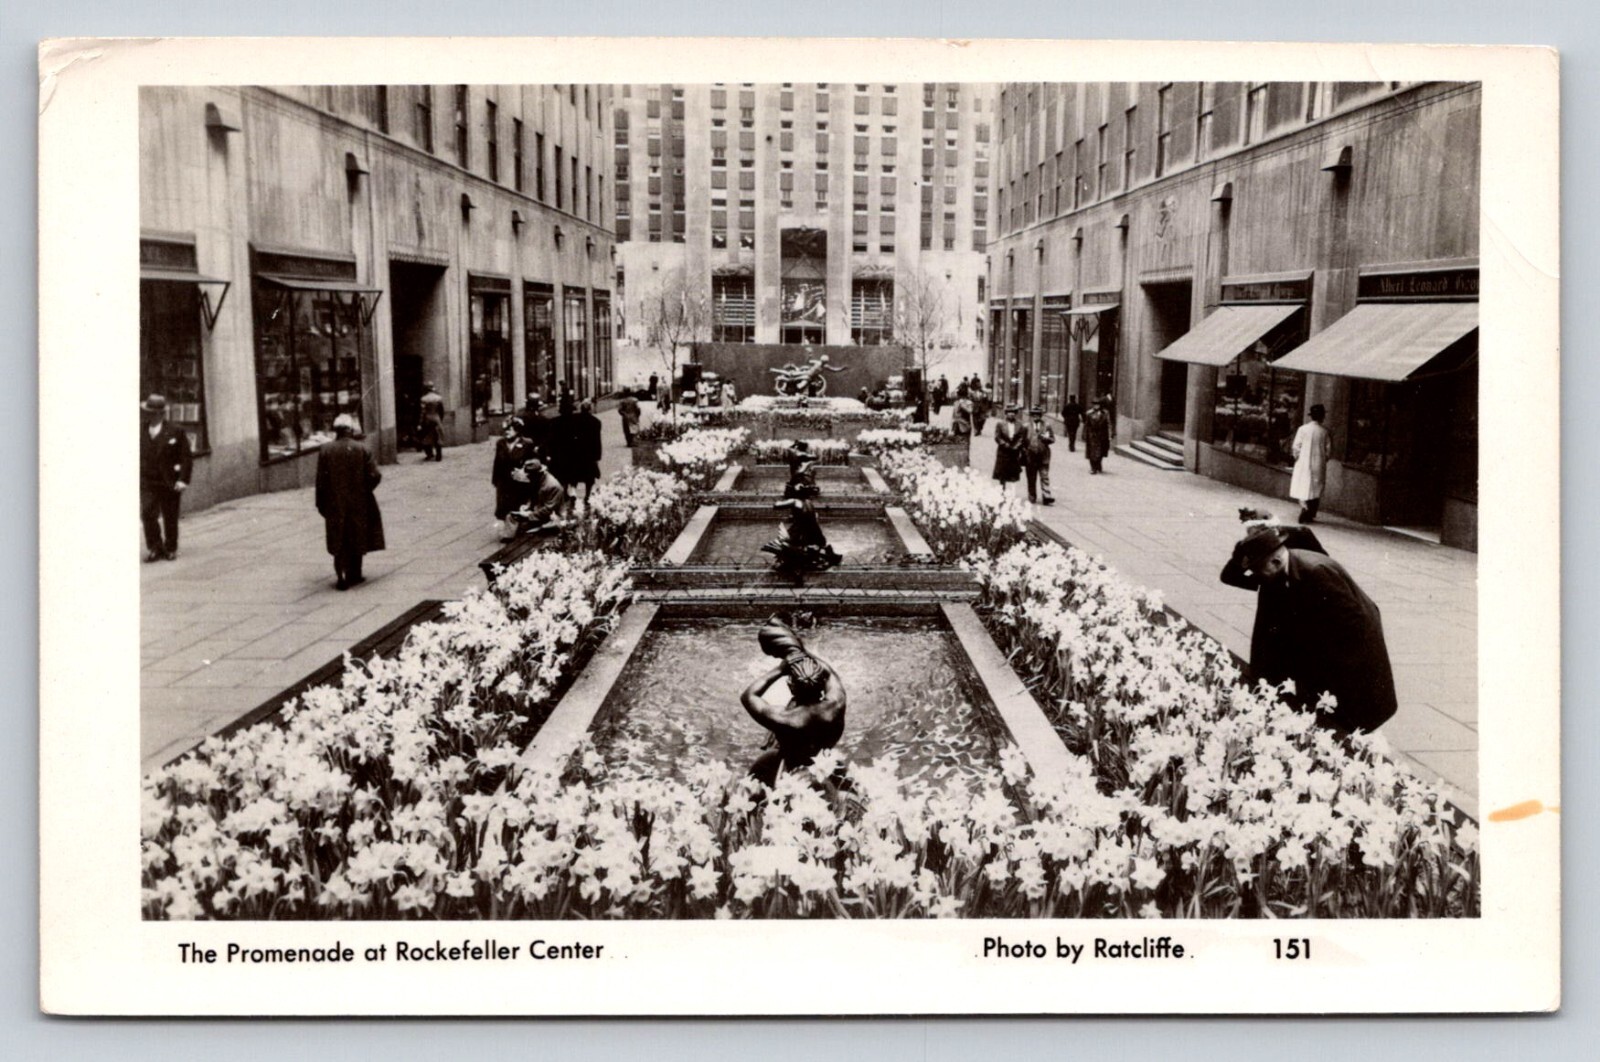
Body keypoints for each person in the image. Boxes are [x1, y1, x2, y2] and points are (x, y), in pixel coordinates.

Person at [1221, 526, 1397, 735]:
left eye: (1258, 569)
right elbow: (1231, 576)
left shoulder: (1316, 572)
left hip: (1350, 658)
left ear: (1275, 562)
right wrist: (1246, 547)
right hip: (1321, 653)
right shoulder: (1278, 568)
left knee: (1345, 721)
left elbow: (1354, 623)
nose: (1256, 576)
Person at [741, 619, 847, 787]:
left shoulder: (784, 718)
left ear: (790, 686)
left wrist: (781, 668)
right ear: (821, 682)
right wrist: (801, 654)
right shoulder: (836, 705)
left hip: (789, 766)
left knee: (749, 784)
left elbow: (748, 695)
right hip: (824, 762)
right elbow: (831, 673)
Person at [315, 414, 384, 591]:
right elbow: (375, 475)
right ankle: (355, 573)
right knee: (357, 534)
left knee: (339, 537)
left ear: (336, 431)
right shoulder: (362, 449)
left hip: (335, 501)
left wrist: (322, 504)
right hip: (359, 501)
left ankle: (341, 574)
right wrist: (365, 490)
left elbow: (321, 482)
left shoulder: (326, 450)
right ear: (350, 430)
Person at [139, 394, 193, 562]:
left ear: (161, 414)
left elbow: (186, 457)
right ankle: (155, 546)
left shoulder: (176, 431)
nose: (149, 415)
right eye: (147, 412)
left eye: (153, 412)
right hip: (148, 480)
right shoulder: (139, 430)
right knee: (148, 513)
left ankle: (170, 548)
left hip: (169, 480)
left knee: (170, 515)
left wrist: (183, 479)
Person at [761, 481, 842, 570]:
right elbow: (815, 517)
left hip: (799, 532)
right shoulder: (809, 502)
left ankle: (790, 563)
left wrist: (781, 500)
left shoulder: (794, 501)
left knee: (784, 544)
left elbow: (776, 505)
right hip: (812, 532)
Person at [491, 417, 537, 541]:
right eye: (505, 429)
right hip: (504, 480)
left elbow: (533, 461)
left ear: (517, 430)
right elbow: (497, 462)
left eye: (510, 429)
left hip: (519, 481)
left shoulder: (527, 443)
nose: (507, 432)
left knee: (517, 504)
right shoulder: (500, 443)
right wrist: (495, 479)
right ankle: (509, 530)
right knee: (503, 505)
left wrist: (526, 473)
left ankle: (514, 530)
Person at [1290, 403, 1332, 523]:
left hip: (1303, 463)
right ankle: (1311, 511)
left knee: (1303, 485)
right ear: (1322, 417)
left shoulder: (1303, 429)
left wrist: (1297, 458)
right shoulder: (1324, 432)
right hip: (1318, 463)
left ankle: (1304, 507)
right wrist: (1324, 459)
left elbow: (1296, 447)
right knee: (1316, 487)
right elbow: (1328, 450)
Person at [506, 456, 569, 535]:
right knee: (512, 517)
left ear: (537, 474)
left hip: (552, 517)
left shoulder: (552, 485)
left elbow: (548, 509)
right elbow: (533, 499)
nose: (528, 478)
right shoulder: (537, 480)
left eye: (529, 476)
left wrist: (529, 515)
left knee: (529, 530)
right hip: (537, 513)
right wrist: (527, 507)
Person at [566, 398, 604, 511]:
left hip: (576, 452)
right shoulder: (596, 422)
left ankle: (573, 492)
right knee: (589, 477)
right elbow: (597, 440)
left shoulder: (574, 419)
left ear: (581, 408)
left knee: (574, 475)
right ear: (590, 409)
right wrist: (597, 455)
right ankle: (587, 495)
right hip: (589, 454)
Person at [1022, 406, 1056, 505]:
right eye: (1034, 415)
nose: (1036, 417)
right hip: (1030, 456)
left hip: (1044, 455)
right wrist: (1025, 451)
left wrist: (1046, 439)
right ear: (1031, 416)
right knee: (1031, 477)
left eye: (1038, 415)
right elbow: (1022, 441)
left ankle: (1046, 496)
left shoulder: (1047, 426)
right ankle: (1032, 495)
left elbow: (1052, 439)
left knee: (1044, 476)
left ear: (1041, 416)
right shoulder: (1026, 427)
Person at [991, 404, 1027, 491]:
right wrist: (1004, 444)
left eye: (1013, 413)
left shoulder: (1020, 424)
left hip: (1014, 452)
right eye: (1009, 412)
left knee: (1013, 472)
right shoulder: (1000, 424)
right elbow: (997, 437)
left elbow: (1021, 437)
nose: (1011, 414)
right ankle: (1002, 489)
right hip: (1003, 451)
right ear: (1006, 414)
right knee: (1002, 472)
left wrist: (1017, 445)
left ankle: (1012, 490)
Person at [1083, 395, 1112, 474]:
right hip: (1092, 435)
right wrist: (1085, 434)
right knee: (1092, 452)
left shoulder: (1105, 413)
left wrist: (1109, 435)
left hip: (1102, 435)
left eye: (1098, 404)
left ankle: (1098, 464)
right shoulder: (1089, 413)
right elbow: (1086, 425)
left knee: (1101, 451)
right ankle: (1093, 468)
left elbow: (1108, 424)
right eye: (1095, 404)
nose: (1096, 406)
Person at [417, 382, 444, 461]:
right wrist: (440, 419)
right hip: (436, 417)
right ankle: (439, 455)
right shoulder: (438, 398)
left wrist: (420, 423)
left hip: (427, 418)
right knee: (438, 436)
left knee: (426, 436)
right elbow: (441, 410)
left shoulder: (423, 399)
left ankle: (429, 454)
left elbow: (422, 412)